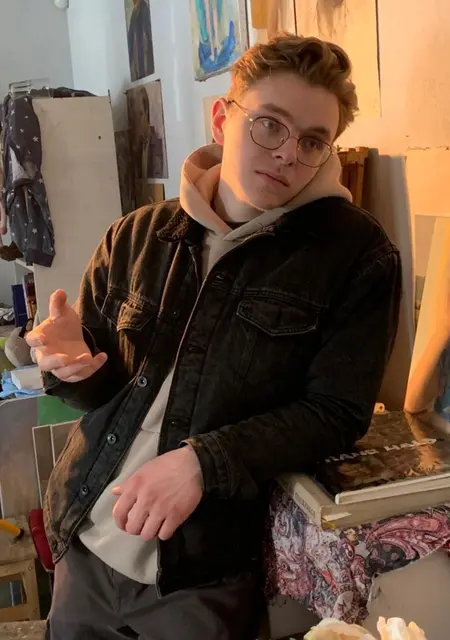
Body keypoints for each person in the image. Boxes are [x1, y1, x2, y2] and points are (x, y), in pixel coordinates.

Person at [28, 34, 401, 640]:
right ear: (223, 118)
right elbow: (102, 393)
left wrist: (204, 461)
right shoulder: (137, 235)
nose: (286, 154)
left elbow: (336, 412)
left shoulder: (355, 255)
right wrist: (71, 365)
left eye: (312, 141)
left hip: (202, 572)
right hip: (86, 539)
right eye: (269, 125)